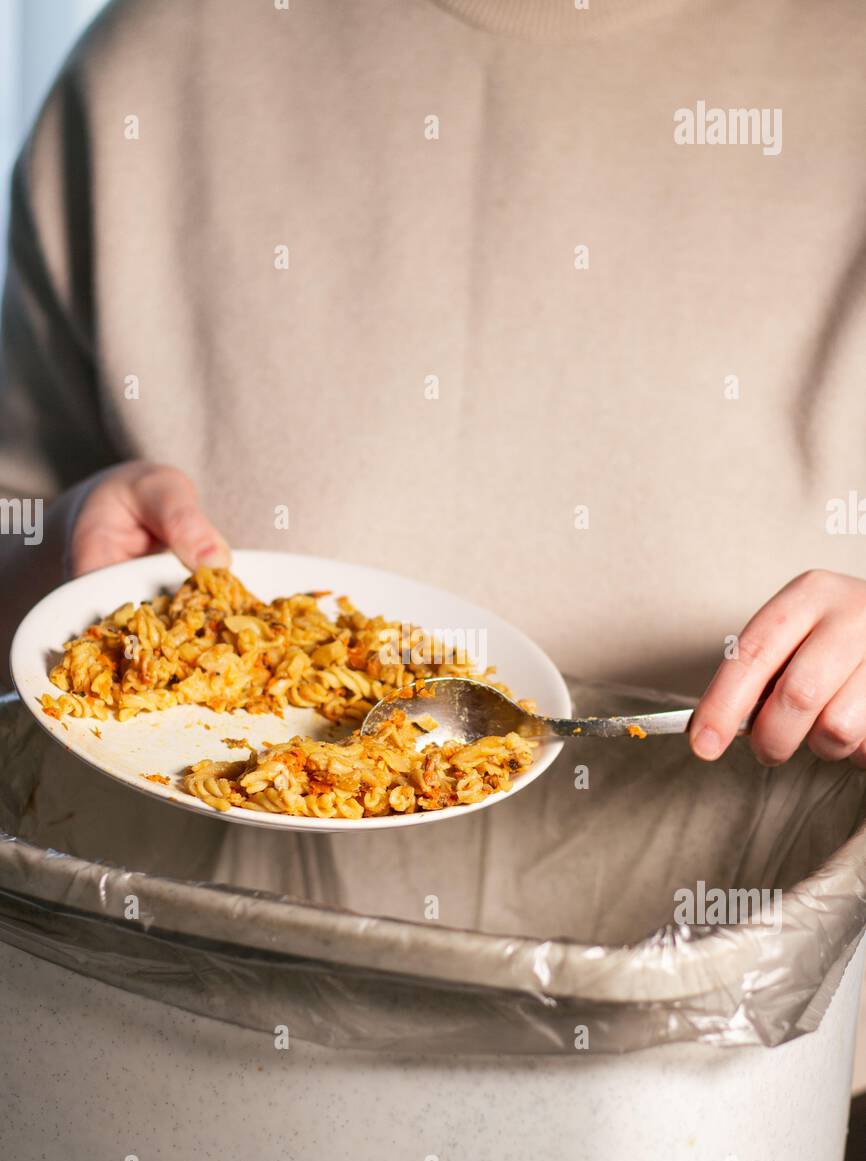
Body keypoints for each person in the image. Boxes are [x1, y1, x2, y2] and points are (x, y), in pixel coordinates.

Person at [3, 0, 866, 774]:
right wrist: (63, 559)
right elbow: (17, 544)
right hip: (166, 942)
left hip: (738, 944)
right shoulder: (152, 59)